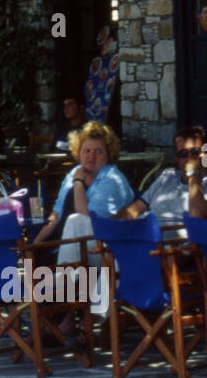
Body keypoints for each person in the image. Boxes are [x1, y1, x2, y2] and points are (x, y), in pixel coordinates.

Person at [31, 121, 133, 320]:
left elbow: (86, 216)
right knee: (37, 253)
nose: (91, 156)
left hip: (106, 248)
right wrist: (35, 244)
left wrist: (78, 183)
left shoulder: (112, 179)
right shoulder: (74, 172)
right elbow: (56, 215)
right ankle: (48, 323)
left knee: (76, 220)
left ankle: (63, 297)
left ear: (108, 154)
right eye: (86, 150)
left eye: (98, 151)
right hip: (77, 245)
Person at [120, 126, 207, 224]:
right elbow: (135, 210)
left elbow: (198, 215)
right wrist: (108, 224)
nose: (189, 157)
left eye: (195, 151)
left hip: (175, 242)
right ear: (177, 158)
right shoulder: (168, 175)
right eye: (183, 153)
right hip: (144, 235)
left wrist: (193, 174)